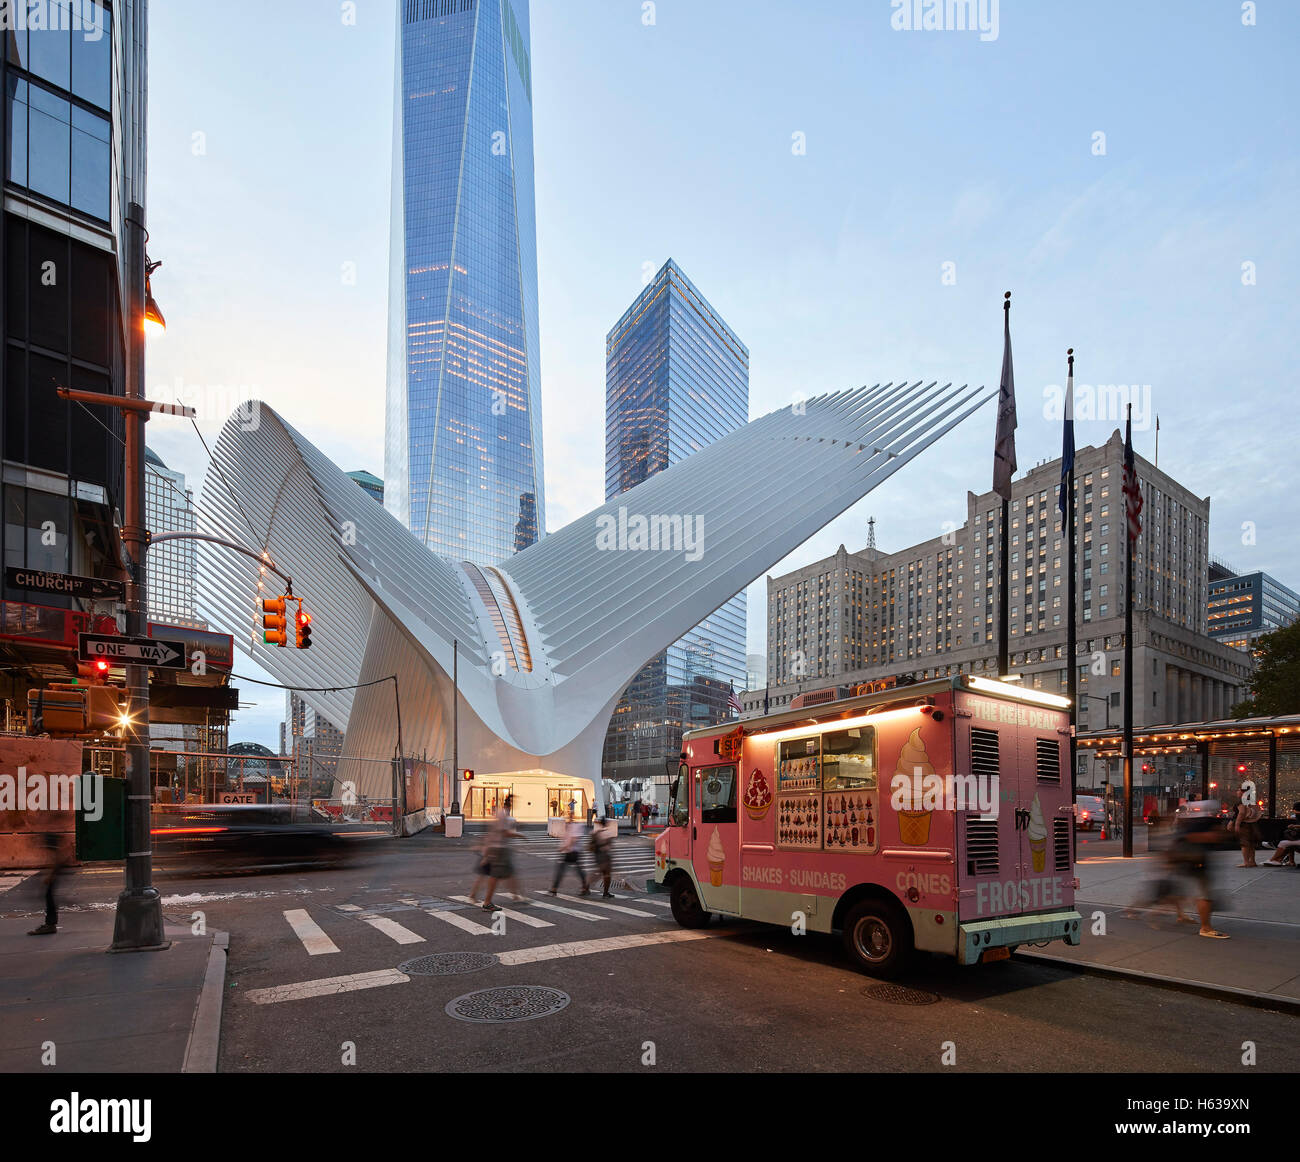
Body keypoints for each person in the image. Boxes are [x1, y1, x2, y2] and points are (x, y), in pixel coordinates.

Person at [1169, 801, 1232, 939]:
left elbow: (1179, 840)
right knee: (1205, 895)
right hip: (1198, 862)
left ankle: (1183, 916)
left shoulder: (1189, 822)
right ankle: (1205, 927)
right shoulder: (1205, 822)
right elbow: (1210, 838)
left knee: (1198, 893)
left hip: (1191, 862)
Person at [482, 794, 523, 911]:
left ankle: (516, 895)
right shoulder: (502, 815)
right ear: (509, 803)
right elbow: (504, 833)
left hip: (501, 848)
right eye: (514, 802)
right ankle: (487, 902)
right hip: (499, 848)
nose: (515, 804)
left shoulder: (503, 815)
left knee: (509, 872)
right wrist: (520, 835)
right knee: (495, 875)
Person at [27, 831, 72, 937]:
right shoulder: (52, 830)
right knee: (49, 895)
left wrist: (51, 873)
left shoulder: (51, 832)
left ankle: (50, 925)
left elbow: (56, 855)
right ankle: (50, 924)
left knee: (49, 895)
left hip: (57, 867)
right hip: (58, 866)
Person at [549, 809, 586, 894]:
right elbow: (567, 838)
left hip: (574, 852)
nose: (569, 817)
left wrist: (564, 847)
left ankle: (585, 887)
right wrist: (563, 847)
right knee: (569, 870)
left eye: (570, 815)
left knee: (576, 870)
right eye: (568, 815)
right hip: (567, 852)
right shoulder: (568, 826)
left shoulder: (576, 826)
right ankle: (554, 888)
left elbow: (574, 839)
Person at [1230, 780, 1262, 868]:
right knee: (1251, 844)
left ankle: (1246, 862)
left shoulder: (1241, 802)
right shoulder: (1251, 800)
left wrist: (1236, 824)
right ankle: (1252, 861)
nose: (1237, 792)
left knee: (1244, 843)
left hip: (1244, 824)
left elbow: (1241, 813)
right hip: (1252, 824)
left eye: (1238, 790)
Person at [584, 815, 615, 898]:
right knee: (606, 874)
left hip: (597, 856)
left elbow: (591, 845)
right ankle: (605, 893)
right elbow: (609, 846)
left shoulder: (596, 833)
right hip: (605, 856)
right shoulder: (607, 833)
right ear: (606, 823)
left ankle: (586, 887)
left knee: (599, 873)